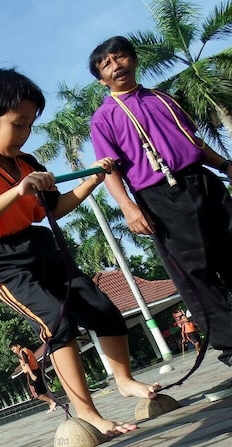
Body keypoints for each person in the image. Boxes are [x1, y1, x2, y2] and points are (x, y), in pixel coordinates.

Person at [0, 68, 159, 437]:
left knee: (101, 308)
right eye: (18, 125)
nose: (24, 134)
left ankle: (125, 381)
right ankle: (89, 414)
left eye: (30, 126)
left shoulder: (29, 163)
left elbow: (59, 206)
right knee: (56, 322)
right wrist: (17, 192)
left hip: (41, 246)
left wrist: (92, 179)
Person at [88, 36, 232, 369]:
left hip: (204, 183)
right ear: (101, 79)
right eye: (107, 64)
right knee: (196, 273)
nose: (116, 65)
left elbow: (192, 141)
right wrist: (128, 207)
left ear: (134, 61)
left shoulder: (162, 98)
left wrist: (224, 165)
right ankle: (230, 347)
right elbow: (109, 171)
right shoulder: (104, 118)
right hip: (161, 196)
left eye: (120, 57)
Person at [10, 342, 59, 412]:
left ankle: (52, 402)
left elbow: (27, 364)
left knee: (34, 393)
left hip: (32, 372)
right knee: (42, 390)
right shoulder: (28, 351)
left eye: (14, 349)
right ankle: (51, 405)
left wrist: (32, 375)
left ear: (18, 346)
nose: (14, 351)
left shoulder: (22, 353)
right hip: (37, 371)